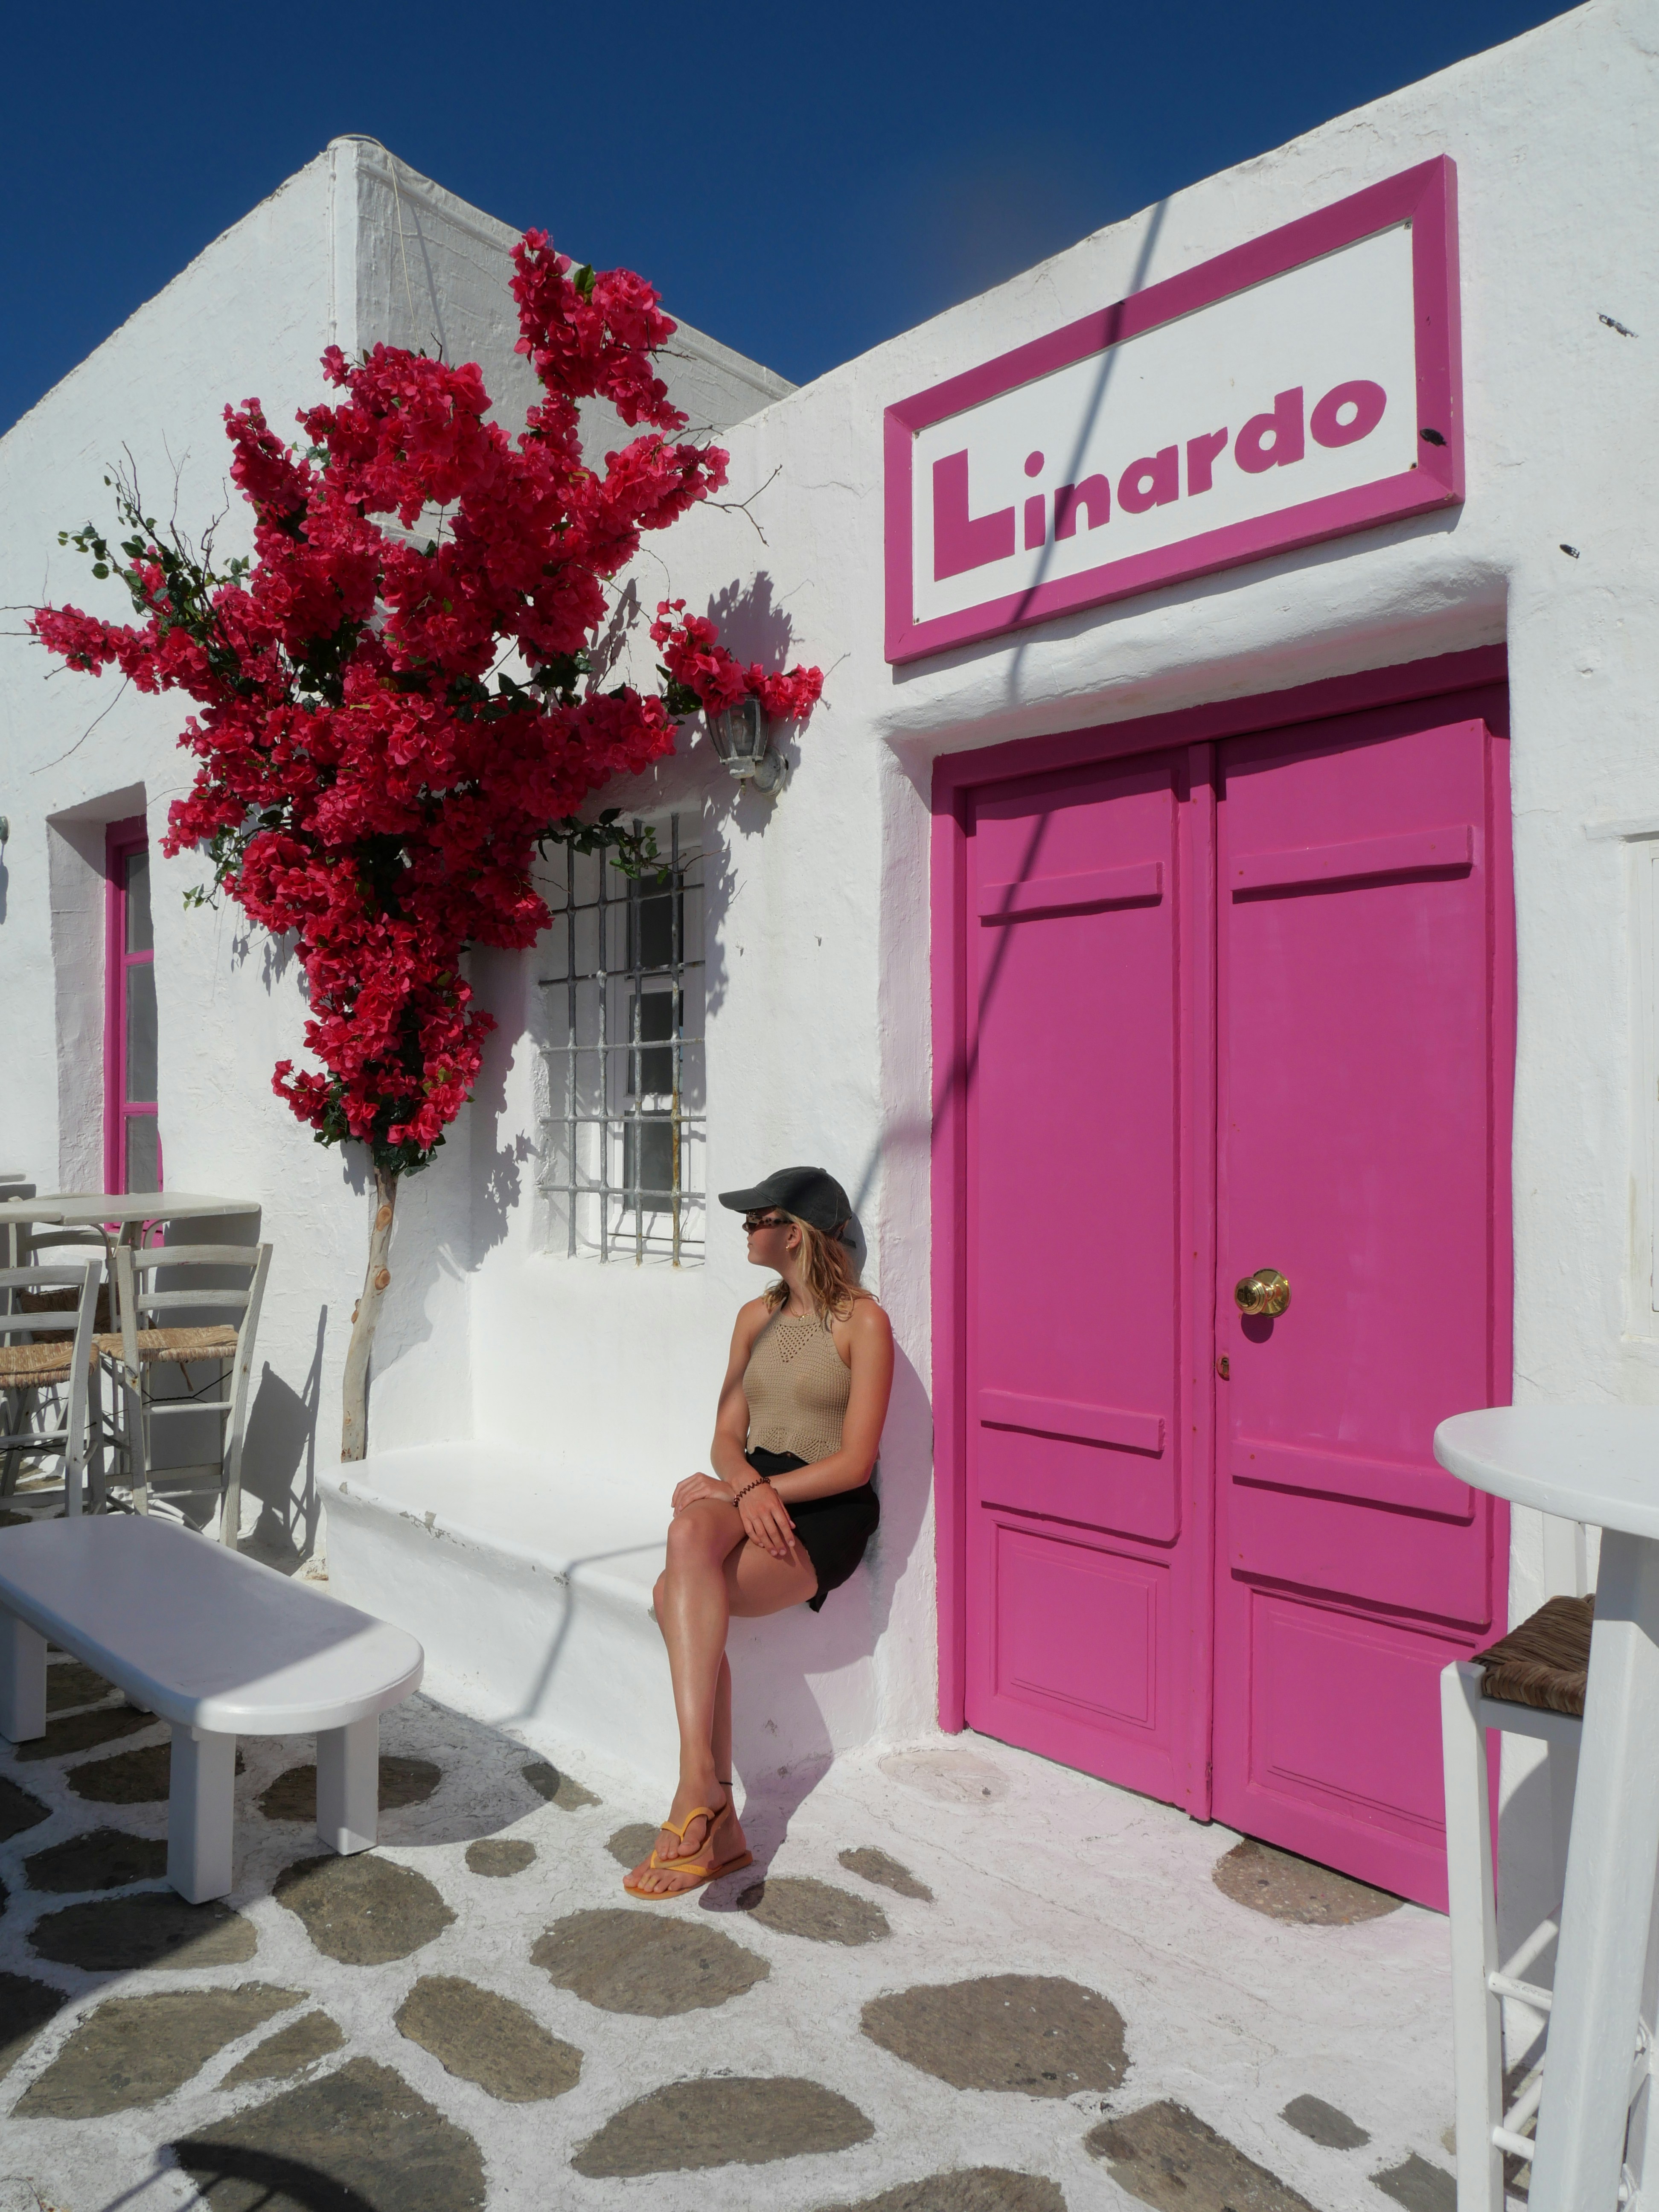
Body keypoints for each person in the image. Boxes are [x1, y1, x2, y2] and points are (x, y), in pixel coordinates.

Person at [624, 1165, 894, 1899]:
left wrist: (764, 1490)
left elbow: (857, 1461)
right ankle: (703, 1793)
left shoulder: (863, 1322)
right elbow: (725, 1437)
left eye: (756, 1220)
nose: (746, 1231)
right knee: (688, 1537)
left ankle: (706, 1811)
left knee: (671, 1595)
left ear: (797, 1233)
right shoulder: (753, 1317)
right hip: (757, 1484)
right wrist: (743, 1485)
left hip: (826, 1507)